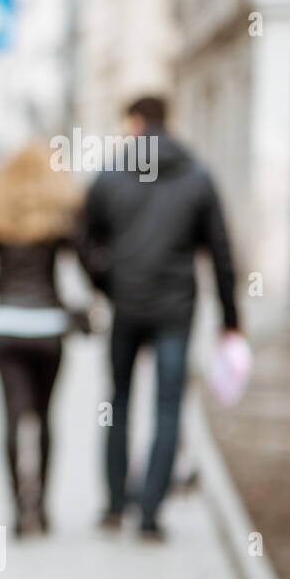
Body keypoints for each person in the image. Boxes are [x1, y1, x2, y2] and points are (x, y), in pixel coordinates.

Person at [81, 95, 240, 541]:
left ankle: (115, 503)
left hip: (126, 308)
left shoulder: (110, 175)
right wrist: (231, 320)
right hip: (175, 310)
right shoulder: (196, 174)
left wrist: (107, 286)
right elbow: (222, 254)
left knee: (117, 401)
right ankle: (150, 513)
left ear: (134, 122)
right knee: (169, 406)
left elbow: (84, 241)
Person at [0, 143, 90, 536]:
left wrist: (2, 285)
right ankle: (43, 506)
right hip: (48, 330)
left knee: (10, 418)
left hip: (6, 329)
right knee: (45, 417)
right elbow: (85, 264)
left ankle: (18, 509)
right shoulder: (59, 219)